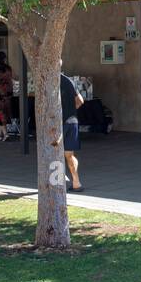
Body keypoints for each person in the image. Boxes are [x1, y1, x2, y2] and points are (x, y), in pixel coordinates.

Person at [59, 64, 84, 192]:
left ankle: (58, 183)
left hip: (58, 124)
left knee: (54, 153)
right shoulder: (68, 81)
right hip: (72, 121)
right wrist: (71, 111)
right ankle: (76, 182)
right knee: (69, 154)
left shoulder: (49, 82)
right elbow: (80, 100)